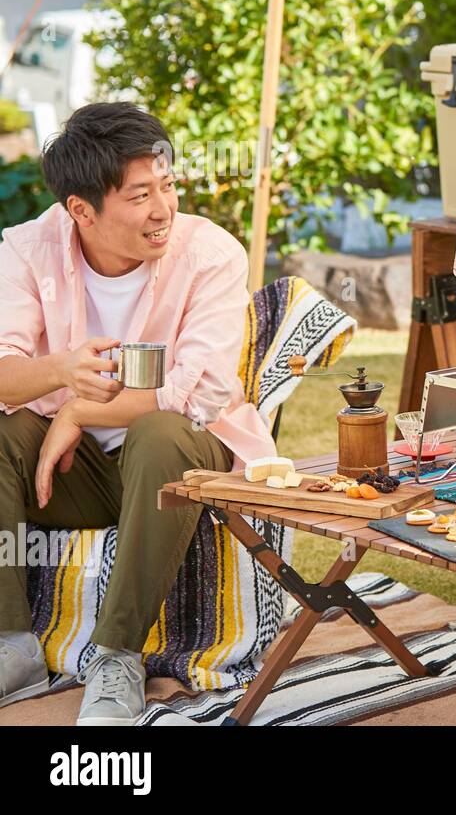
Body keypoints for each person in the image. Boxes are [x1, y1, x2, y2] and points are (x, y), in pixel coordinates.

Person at [0, 103, 275, 724]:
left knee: (157, 431)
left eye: (169, 185)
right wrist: (60, 372)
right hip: (75, 475)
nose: (163, 209)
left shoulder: (209, 254)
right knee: (6, 428)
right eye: (140, 194)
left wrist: (74, 411)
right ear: (81, 209)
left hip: (182, 463)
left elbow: (198, 393)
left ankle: (116, 654)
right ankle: (10, 645)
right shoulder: (25, 250)